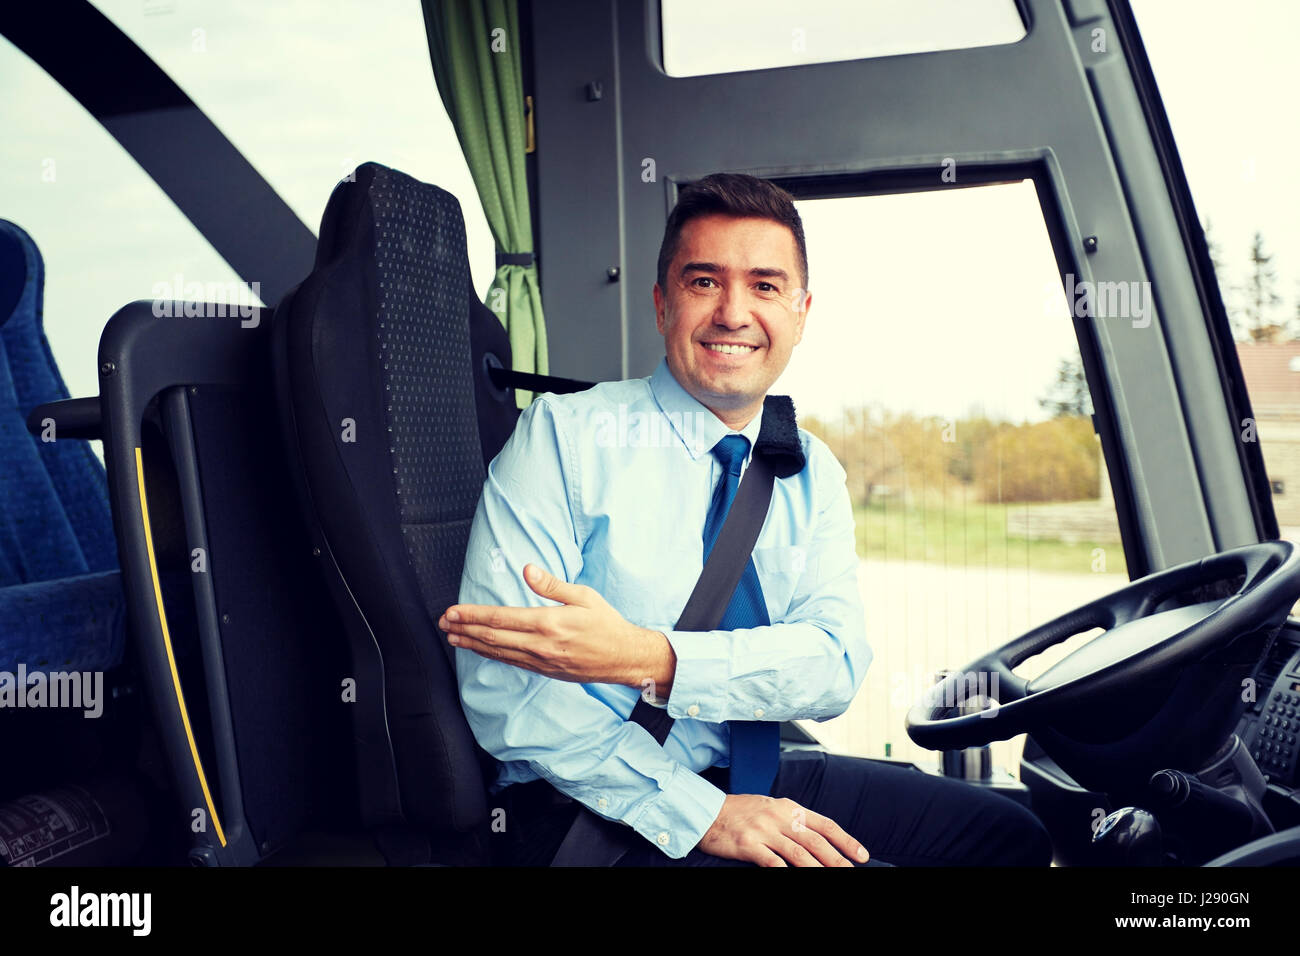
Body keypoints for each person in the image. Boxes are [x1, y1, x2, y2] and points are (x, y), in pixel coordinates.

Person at [440, 172, 1053, 867]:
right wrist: (702, 813)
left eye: (764, 285)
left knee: (1009, 837)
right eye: (704, 282)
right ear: (662, 303)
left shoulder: (809, 467)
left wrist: (649, 659)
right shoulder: (563, 439)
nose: (733, 312)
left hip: (752, 772)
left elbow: (833, 666)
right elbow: (505, 696)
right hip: (584, 802)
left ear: (800, 311)